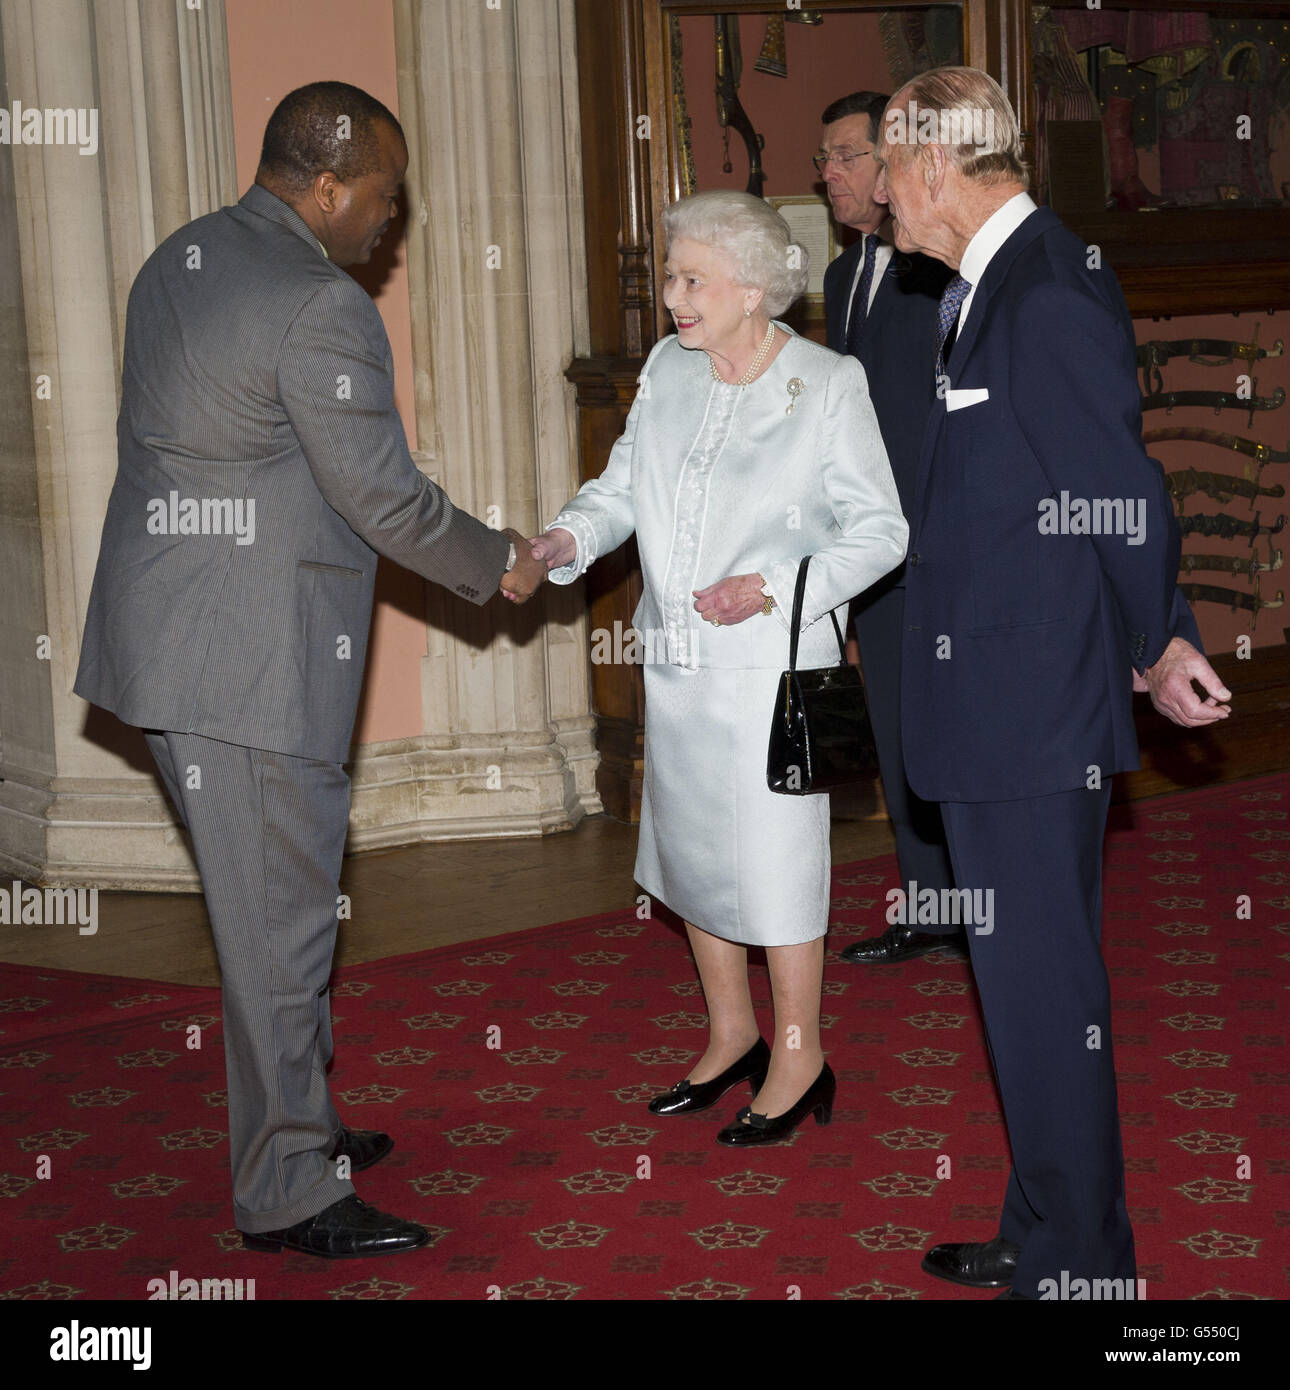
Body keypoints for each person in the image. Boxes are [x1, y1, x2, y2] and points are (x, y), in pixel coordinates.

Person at [73, 82, 546, 1259]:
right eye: (384, 200)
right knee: (281, 926)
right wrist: (501, 563)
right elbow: (383, 497)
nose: (391, 224)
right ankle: (288, 1185)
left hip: (173, 637)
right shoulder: (317, 306)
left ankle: (305, 1123)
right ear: (328, 186)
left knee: (269, 915)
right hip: (247, 661)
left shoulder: (180, 256)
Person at [871, 66, 1232, 1298]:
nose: (876, 196)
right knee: (1020, 998)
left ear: (937, 164)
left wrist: (1161, 637)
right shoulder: (988, 286)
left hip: (1028, 711)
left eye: (887, 167)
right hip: (989, 704)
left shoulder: (1047, 289)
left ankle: (1086, 1269)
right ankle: (1039, 1225)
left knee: (1044, 997)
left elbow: (1120, 490)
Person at [529, 190, 907, 1143]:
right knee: (689, 858)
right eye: (669, 277)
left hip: (773, 672)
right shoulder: (669, 367)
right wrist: (564, 541)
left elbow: (882, 534)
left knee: (776, 871)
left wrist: (772, 585)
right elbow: (620, 489)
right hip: (681, 664)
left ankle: (798, 1051)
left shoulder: (827, 385)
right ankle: (731, 1031)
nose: (672, 298)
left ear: (752, 290)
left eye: (692, 279)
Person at [816, 91, 964, 966]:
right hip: (868, 540)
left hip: (938, 537)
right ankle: (928, 907)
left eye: (843, 156)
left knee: (946, 726)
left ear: (891, 164)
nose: (828, 174)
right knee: (895, 724)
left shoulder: (942, 272)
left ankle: (977, 910)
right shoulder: (842, 276)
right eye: (823, 161)